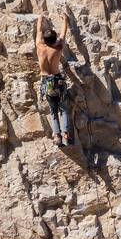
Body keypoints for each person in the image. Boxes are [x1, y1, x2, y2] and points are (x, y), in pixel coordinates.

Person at [36, 13, 73, 146]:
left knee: (53, 111)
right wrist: (65, 19)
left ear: (44, 40)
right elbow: (63, 33)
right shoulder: (58, 48)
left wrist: (40, 17)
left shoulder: (40, 47)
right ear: (55, 39)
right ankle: (66, 135)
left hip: (47, 82)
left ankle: (57, 137)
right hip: (58, 81)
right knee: (63, 109)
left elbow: (39, 31)